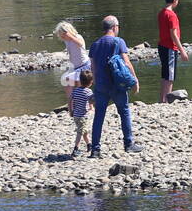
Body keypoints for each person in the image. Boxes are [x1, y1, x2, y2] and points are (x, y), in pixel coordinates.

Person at [88, 15, 143, 158]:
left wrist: (94, 87)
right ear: (114, 27)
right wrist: (135, 80)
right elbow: (126, 63)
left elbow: (93, 68)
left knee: (99, 116)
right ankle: (128, 144)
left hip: (101, 85)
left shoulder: (95, 44)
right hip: (117, 84)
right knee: (124, 111)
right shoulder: (118, 42)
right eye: (118, 26)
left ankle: (95, 149)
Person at [157, 0, 189, 104]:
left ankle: (162, 100)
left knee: (165, 74)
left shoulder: (161, 13)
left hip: (162, 46)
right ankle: (167, 100)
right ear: (175, 0)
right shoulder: (171, 15)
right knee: (170, 76)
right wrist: (182, 51)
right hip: (170, 47)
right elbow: (174, 35)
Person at [55, 21, 89, 105]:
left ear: (68, 32)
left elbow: (80, 44)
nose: (62, 37)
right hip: (75, 67)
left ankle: (77, 104)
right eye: (61, 35)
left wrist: (71, 37)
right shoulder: (67, 41)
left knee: (74, 84)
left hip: (84, 66)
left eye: (63, 34)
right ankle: (74, 103)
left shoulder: (78, 37)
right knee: (71, 84)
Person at [70, 69, 94, 158]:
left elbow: (69, 100)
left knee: (84, 131)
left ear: (80, 80)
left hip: (76, 115)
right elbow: (91, 101)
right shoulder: (88, 92)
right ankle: (75, 149)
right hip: (83, 116)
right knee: (80, 132)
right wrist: (92, 107)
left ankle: (89, 145)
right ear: (91, 82)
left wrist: (70, 110)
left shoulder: (75, 90)